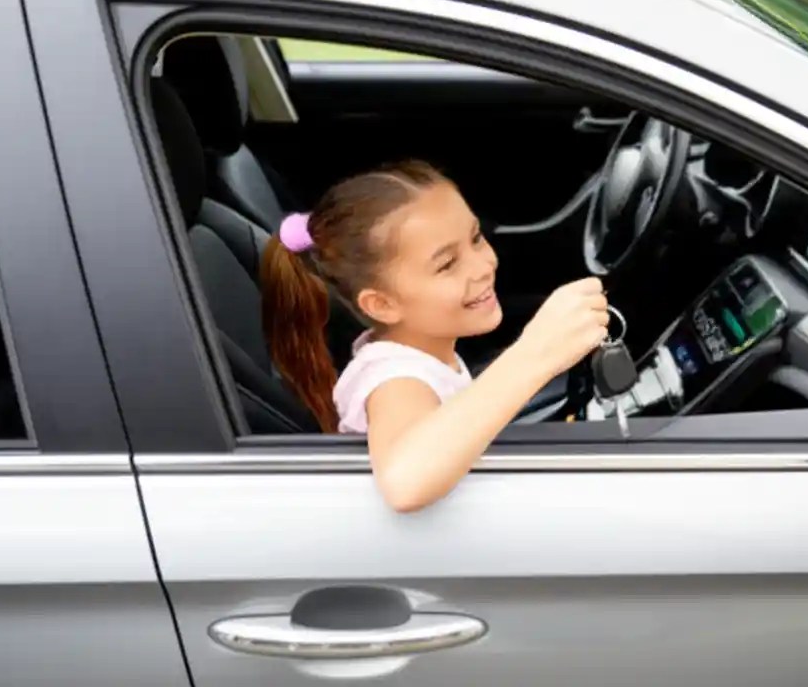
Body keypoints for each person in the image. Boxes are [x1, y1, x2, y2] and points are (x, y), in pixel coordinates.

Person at [261, 160, 609, 512]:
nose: (482, 265)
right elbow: (404, 484)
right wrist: (535, 354)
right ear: (382, 304)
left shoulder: (416, 353)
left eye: (475, 238)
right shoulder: (394, 381)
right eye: (446, 265)